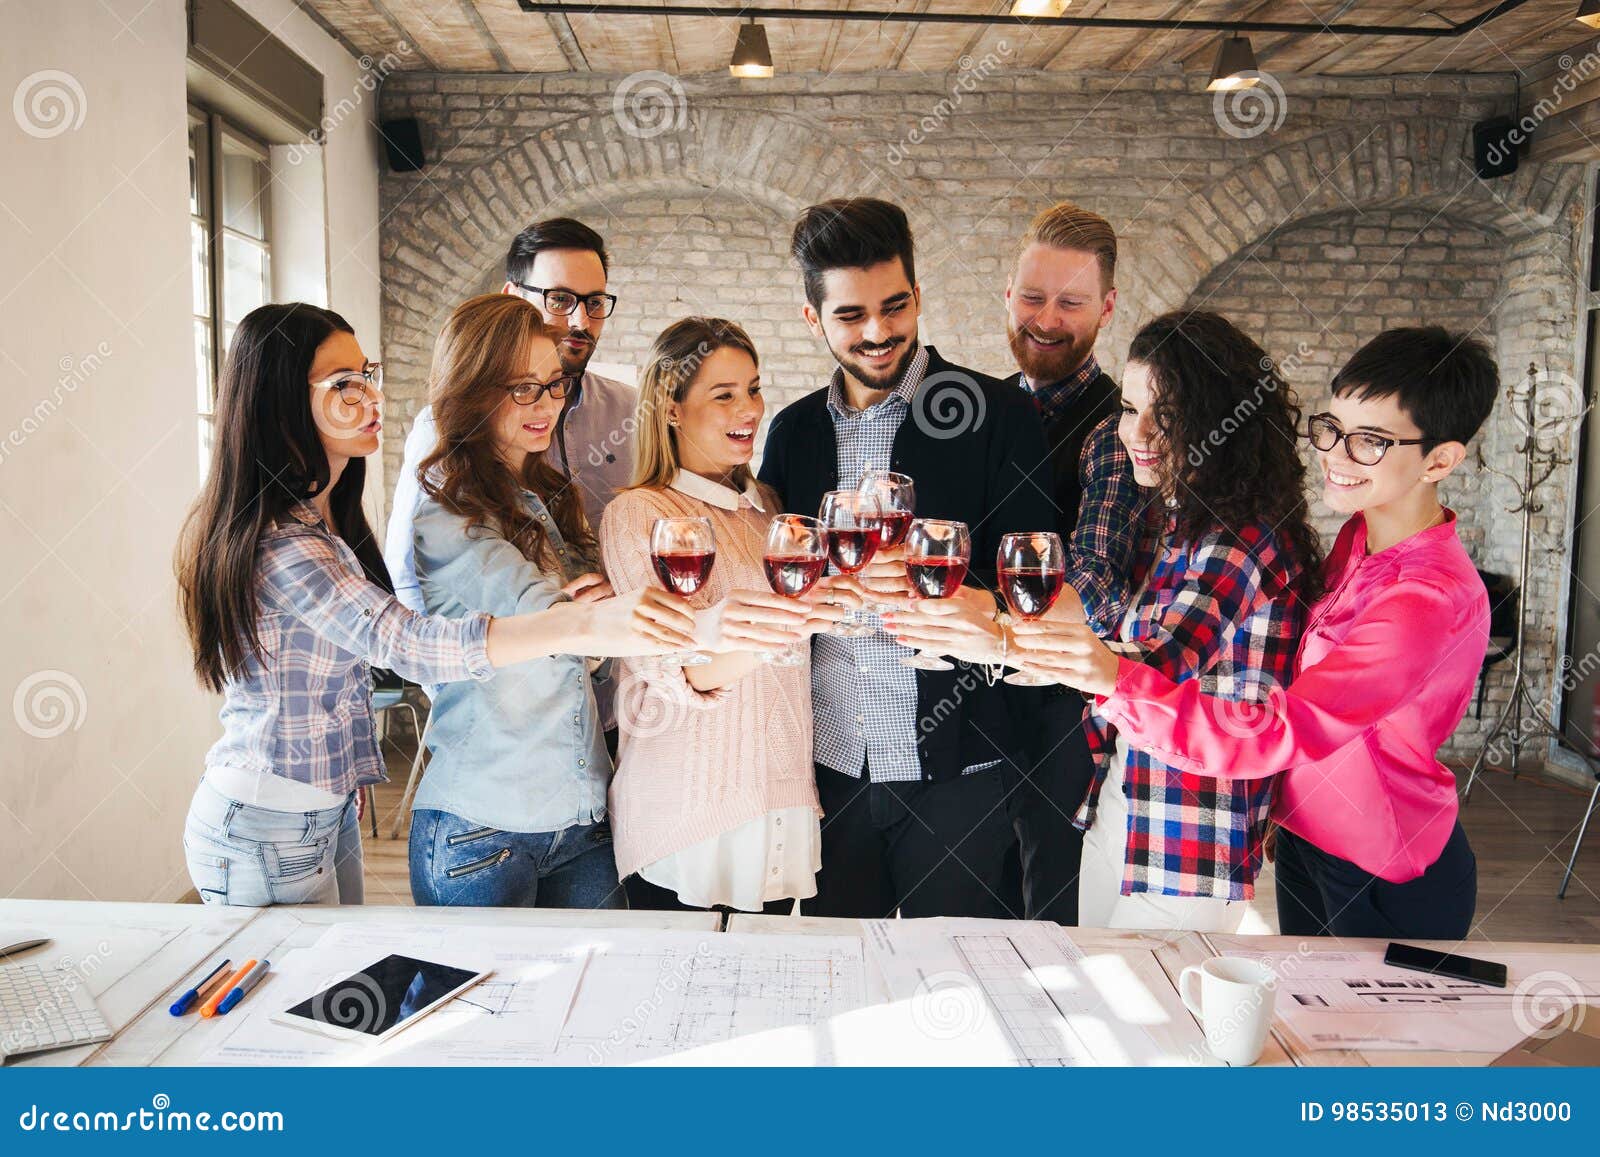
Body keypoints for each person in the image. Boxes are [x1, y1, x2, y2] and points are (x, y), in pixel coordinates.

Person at [175, 303, 696, 908]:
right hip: (265, 819)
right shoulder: (285, 546)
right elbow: (407, 644)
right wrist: (580, 620)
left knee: (326, 988)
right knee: (281, 995)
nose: (371, 398)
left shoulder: (327, 525)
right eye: (344, 385)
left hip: (325, 809)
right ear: (282, 403)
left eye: (366, 375)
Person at [1012, 326, 1494, 940]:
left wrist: (1105, 676)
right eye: (1332, 429)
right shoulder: (1360, 540)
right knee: (1303, 1029)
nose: (1337, 457)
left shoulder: (1426, 599)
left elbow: (1281, 726)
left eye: (1368, 441)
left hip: (1386, 866)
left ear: (1441, 460)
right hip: (1302, 844)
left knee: (1359, 1036)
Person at [758, 197, 1056, 919]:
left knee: (959, 987)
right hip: (831, 772)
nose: (878, 332)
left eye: (895, 307)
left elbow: (1037, 579)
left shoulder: (998, 413)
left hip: (963, 771)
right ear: (813, 318)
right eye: (851, 316)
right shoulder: (792, 432)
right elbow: (779, 570)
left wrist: (944, 598)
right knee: (844, 986)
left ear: (919, 296)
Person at [998, 309, 1318, 932]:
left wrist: (992, 631)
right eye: (1127, 407)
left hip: (1193, 832)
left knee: (1153, 1018)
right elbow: (1115, 637)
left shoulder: (1240, 540)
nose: (1137, 432)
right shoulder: (1175, 518)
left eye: (1165, 416)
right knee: (1094, 990)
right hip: (1126, 794)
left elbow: (1154, 667)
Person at [600, 317, 846, 912]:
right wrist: (806, 617)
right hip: (689, 814)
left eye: (754, 388)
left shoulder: (766, 511)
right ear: (672, 409)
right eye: (724, 394)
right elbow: (679, 670)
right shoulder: (639, 513)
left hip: (780, 801)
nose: (750, 409)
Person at [407, 295, 625, 909]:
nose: (547, 406)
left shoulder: (546, 496)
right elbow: (552, 620)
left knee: (594, 998)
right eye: (522, 389)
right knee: (467, 1004)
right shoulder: (446, 512)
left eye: (553, 385)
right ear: (472, 391)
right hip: (483, 824)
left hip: (581, 814)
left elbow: (583, 643)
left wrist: (584, 622)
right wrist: (579, 619)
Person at [384, 218, 637, 747]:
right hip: (512, 722)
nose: (579, 320)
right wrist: (465, 701)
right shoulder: (444, 429)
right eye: (561, 298)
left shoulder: (630, 412)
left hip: (616, 708)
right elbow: (410, 579)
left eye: (594, 303)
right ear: (511, 296)